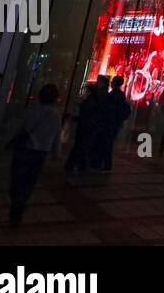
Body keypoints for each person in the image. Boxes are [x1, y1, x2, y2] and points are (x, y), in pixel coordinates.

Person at [9, 84, 63, 226]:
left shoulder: (34, 111)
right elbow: (57, 136)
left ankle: (17, 201)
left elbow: (23, 129)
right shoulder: (56, 115)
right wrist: (56, 153)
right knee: (30, 180)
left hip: (25, 149)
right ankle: (21, 202)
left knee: (17, 177)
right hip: (41, 153)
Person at [94, 76, 132, 172]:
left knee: (105, 143)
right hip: (115, 123)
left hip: (109, 122)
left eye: (112, 82)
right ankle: (106, 164)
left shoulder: (113, 95)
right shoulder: (121, 95)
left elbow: (107, 108)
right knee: (108, 143)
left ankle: (104, 163)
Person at [64, 81, 101, 174]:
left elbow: (86, 114)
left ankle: (74, 165)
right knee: (83, 146)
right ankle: (80, 165)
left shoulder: (90, 100)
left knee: (80, 145)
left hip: (85, 126)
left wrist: (75, 118)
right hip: (89, 126)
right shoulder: (95, 100)